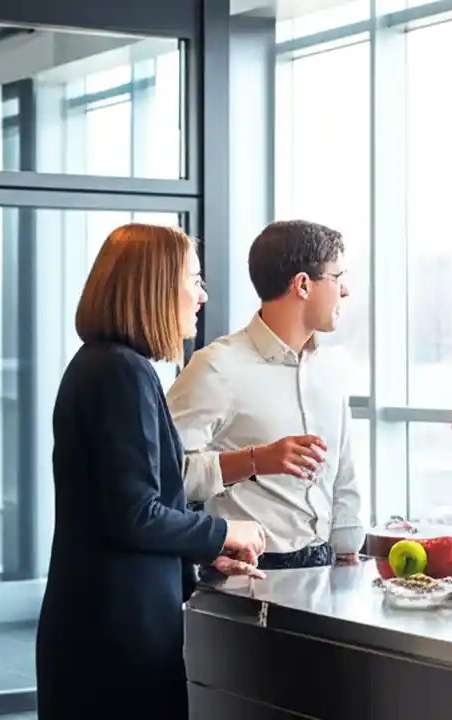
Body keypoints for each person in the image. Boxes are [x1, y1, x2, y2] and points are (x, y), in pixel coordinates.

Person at [37, 224, 267, 720]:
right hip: (117, 637)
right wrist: (226, 530)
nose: (202, 296)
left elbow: (117, 512)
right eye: (194, 280)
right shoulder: (122, 372)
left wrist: (203, 553)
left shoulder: (102, 365)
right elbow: (135, 514)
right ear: (156, 286)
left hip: (98, 623)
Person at [167, 220, 364, 570]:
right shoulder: (217, 367)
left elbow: (343, 469)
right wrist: (254, 460)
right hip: (245, 572)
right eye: (337, 277)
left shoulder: (333, 368)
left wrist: (348, 544)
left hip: (326, 568)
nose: (345, 291)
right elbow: (167, 475)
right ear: (303, 284)